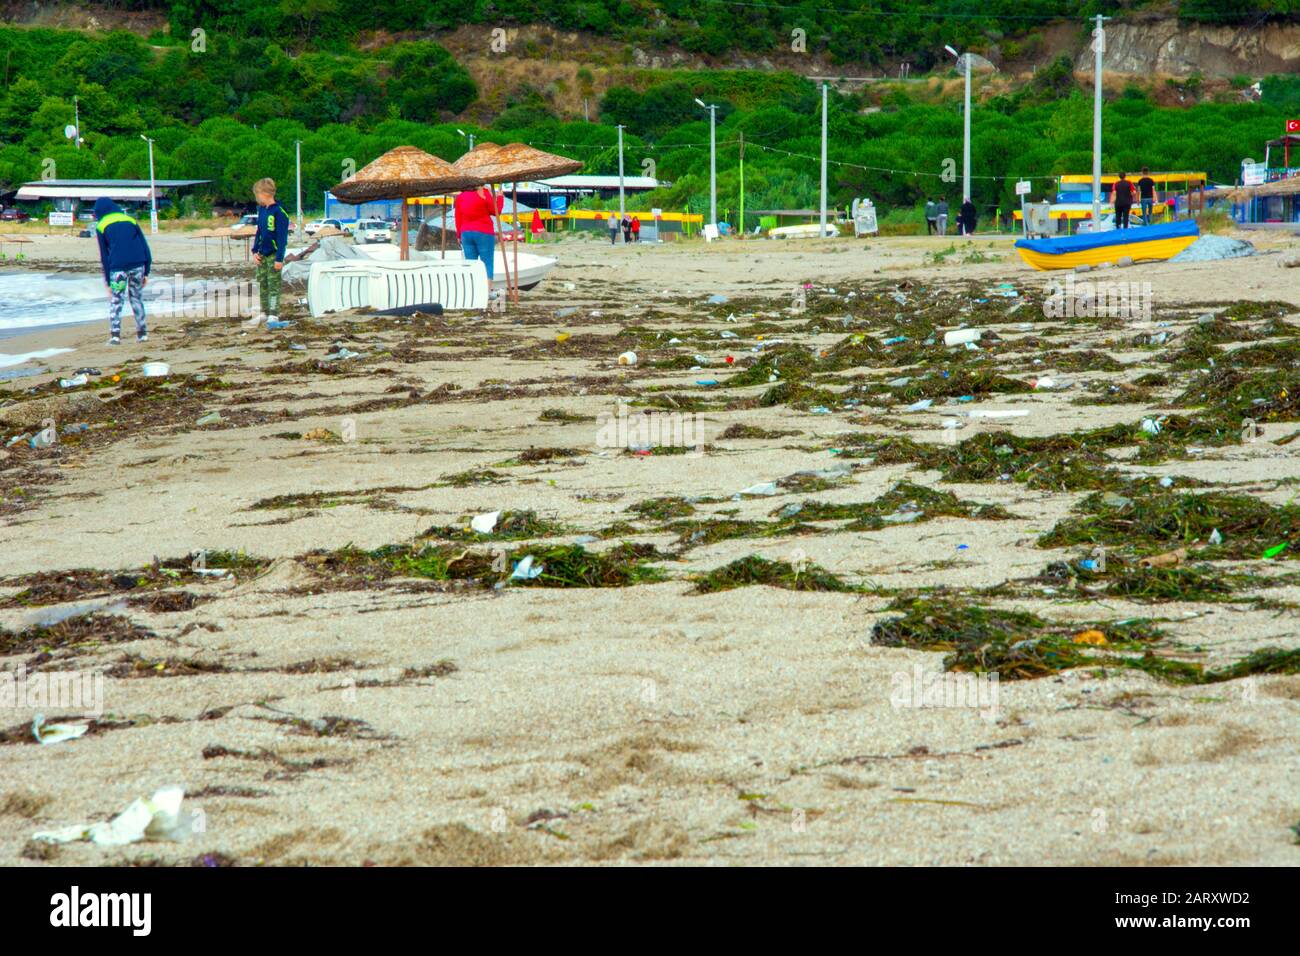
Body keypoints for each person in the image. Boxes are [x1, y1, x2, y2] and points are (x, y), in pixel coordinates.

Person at [93, 198, 151, 345]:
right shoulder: (130, 220)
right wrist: (146, 271)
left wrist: (107, 281)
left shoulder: (101, 225)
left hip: (118, 268)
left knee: (117, 300)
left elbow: (104, 256)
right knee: (136, 298)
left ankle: (115, 336)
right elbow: (144, 246)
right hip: (138, 264)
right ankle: (142, 334)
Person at [250, 178, 288, 324]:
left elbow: (282, 238)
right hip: (261, 254)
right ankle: (264, 311)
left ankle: (274, 313)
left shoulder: (279, 212)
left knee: (273, 286)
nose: (257, 198)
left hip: (273, 255)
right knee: (262, 284)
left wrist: (279, 258)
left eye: (257, 195)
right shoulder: (261, 211)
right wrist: (254, 251)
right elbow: (259, 232)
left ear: (264, 194)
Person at [454, 184, 503, 284]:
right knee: (487, 263)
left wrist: (459, 235)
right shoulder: (483, 191)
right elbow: (496, 211)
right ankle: (486, 293)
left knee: (471, 264)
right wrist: (500, 197)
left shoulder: (460, 197)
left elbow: (457, 217)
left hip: (466, 233)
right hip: (483, 231)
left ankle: (473, 291)